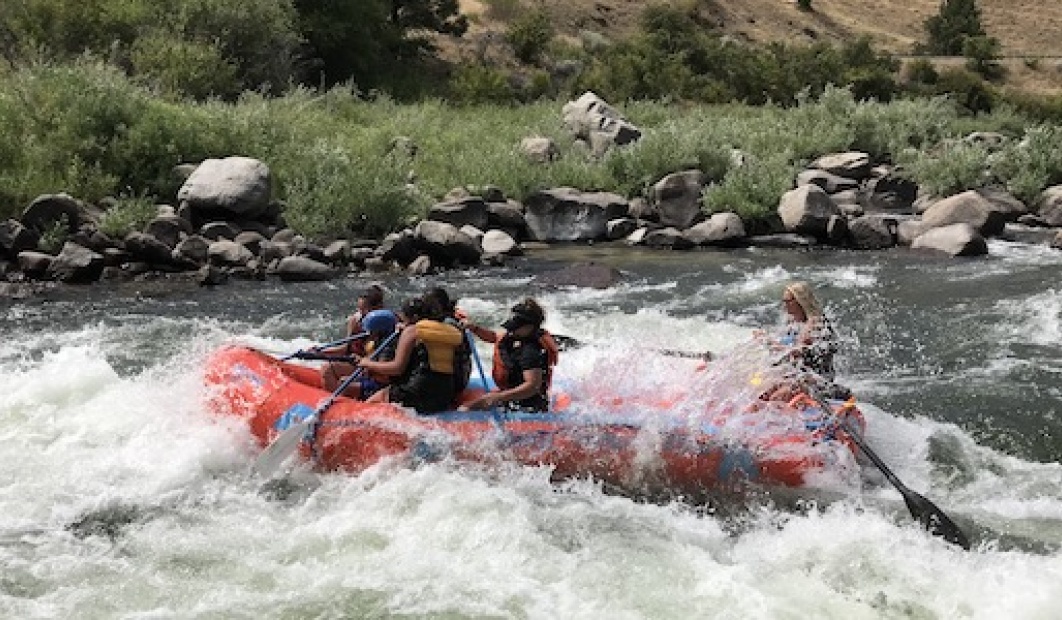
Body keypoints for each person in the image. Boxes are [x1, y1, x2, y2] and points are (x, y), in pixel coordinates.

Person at [359, 294, 465, 414]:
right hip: (445, 394)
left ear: (413, 318)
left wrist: (367, 363)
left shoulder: (412, 331)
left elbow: (397, 368)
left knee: (373, 402)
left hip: (418, 391)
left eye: (404, 318)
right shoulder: (446, 331)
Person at [461, 298, 559, 412]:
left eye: (515, 327)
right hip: (511, 395)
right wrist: (474, 328)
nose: (511, 330)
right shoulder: (516, 336)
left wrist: (498, 397)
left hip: (526, 404)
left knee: (464, 409)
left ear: (530, 326)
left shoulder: (531, 351)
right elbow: (494, 337)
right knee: (470, 405)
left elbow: (532, 386)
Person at [765, 281, 850, 401]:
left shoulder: (815, 323)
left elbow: (796, 352)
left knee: (777, 396)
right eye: (783, 301)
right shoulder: (793, 322)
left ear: (800, 301)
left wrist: (769, 342)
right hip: (800, 376)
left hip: (817, 381)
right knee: (764, 390)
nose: (784, 305)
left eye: (788, 301)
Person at [321, 308, 398, 398]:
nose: (368, 333)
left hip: (379, 385)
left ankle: (343, 404)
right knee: (343, 380)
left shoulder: (388, 348)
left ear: (380, 331)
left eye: (371, 330)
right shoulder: (380, 340)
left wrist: (366, 365)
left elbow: (384, 377)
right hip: (371, 377)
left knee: (346, 386)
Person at [424, 286, 472, 398]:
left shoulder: (448, 324)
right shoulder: (444, 319)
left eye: (429, 304)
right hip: (458, 375)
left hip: (455, 381)